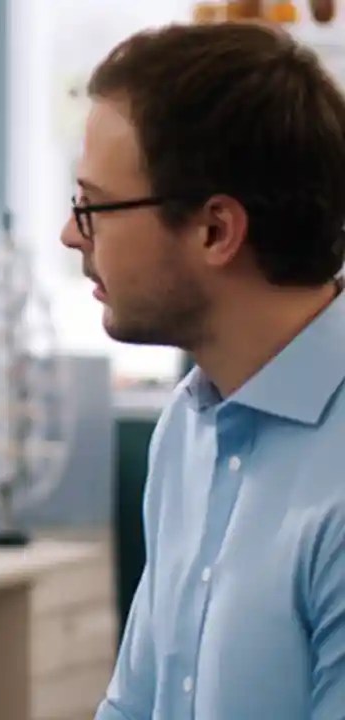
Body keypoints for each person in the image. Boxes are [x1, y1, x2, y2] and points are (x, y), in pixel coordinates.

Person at [60, 21, 345, 719]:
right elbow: (133, 707)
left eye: (94, 207)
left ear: (216, 230)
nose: (71, 234)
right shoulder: (188, 430)